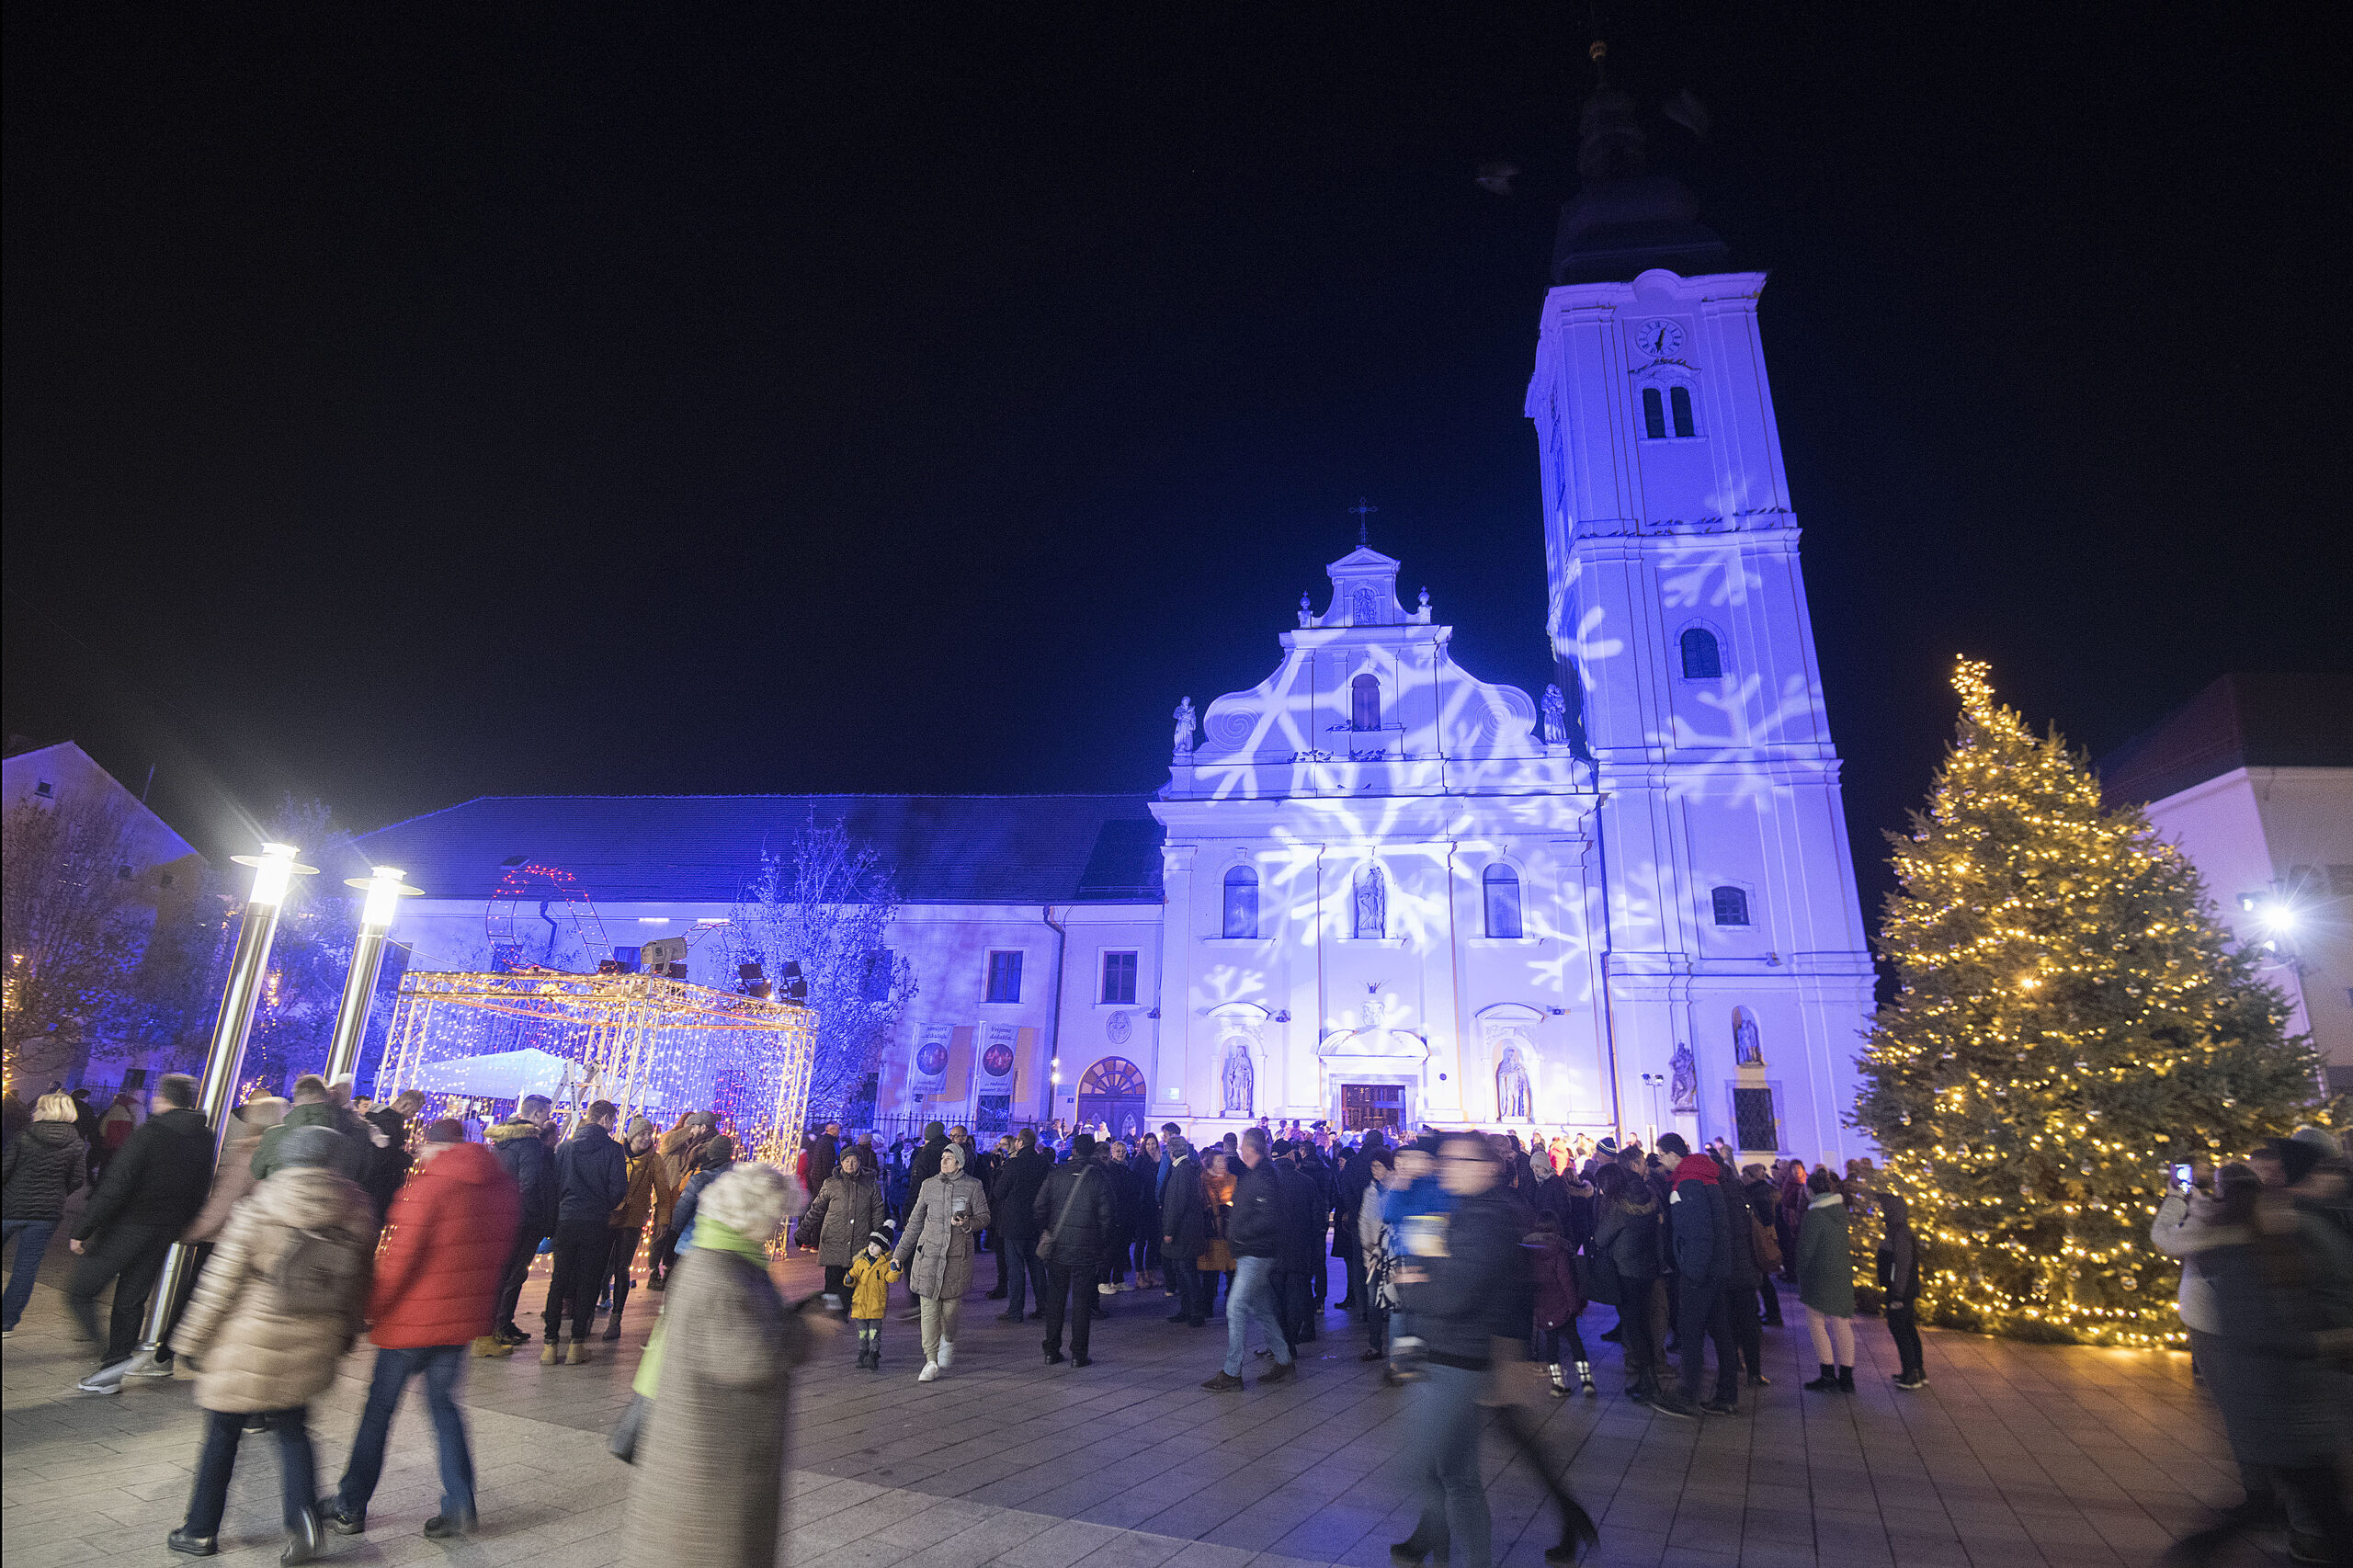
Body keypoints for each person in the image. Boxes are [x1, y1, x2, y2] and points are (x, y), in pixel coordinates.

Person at [166, 1125, 376, 1562]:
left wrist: (190, 1339)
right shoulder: (356, 1209)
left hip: (246, 1339)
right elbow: (358, 1285)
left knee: (222, 1435)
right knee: (294, 1433)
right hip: (314, 1339)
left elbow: (220, 1284)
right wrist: (347, 1335)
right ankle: (303, 1526)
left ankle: (200, 1531)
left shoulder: (260, 1206)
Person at [1390, 1132, 1596, 1568]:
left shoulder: (1488, 1216)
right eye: (1443, 1161)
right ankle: (1454, 1545)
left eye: (1457, 1160)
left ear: (1488, 1167)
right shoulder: (1467, 1207)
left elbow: (1455, 1291)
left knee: (1431, 1469)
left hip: (1476, 1353)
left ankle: (1435, 1538)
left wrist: (1415, 1283)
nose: (1447, 1168)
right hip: (1476, 1350)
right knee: (1464, 1471)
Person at [321, 1119, 519, 1540]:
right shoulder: (500, 1186)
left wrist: (371, 1308)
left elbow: (398, 1259)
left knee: (378, 1413)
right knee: (446, 1409)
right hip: (460, 1321)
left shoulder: (428, 1185)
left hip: (410, 1321)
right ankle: (461, 1503)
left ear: (432, 1147)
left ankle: (350, 1504)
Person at [2165, 1142, 2353, 1567]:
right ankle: (2197, 1551)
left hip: (2288, 1407)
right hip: (2277, 1407)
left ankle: (2199, 1549)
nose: (2285, 1214)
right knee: (2324, 1510)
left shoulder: (2280, 1247)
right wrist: (2334, 1341)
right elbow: (2261, 1333)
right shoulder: (2241, 1255)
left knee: (2306, 1502)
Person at [620, 1165, 812, 1568]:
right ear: (752, 1214)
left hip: (718, 1448)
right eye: (776, 1216)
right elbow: (748, 1358)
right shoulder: (719, 1271)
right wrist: (808, 1331)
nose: (778, 1227)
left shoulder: (728, 1258)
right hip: (712, 1457)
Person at [68, 1073, 214, 1390]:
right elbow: (200, 1186)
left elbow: (115, 1185)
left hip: (128, 1225)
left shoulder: (150, 1133)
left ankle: (111, 1361)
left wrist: (84, 1228)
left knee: (81, 1290)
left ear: (162, 1098)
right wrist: (182, 1224)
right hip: (165, 1230)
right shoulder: (204, 1137)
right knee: (131, 1300)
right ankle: (112, 1371)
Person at [1201, 1127, 1295, 1390]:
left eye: (1243, 1146)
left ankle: (1232, 1371)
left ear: (1252, 1149)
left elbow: (1269, 1218)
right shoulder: (1258, 1174)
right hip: (1250, 1252)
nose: (1240, 1150)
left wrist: (1239, 1235)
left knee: (1235, 1306)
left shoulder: (1264, 1176)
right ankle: (1284, 1360)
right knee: (1263, 1309)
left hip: (1255, 1252)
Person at [893, 1138, 992, 1381]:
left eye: (949, 1159)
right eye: (942, 1158)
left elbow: (985, 1216)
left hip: (956, 1258)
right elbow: (915, 1222)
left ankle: (948, 1339)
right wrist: (899, 1254)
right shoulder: (928, 1185)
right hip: (929, 1255)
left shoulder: (973, 1186)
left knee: (949, 1311)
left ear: (959, 1163)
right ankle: (930, 1360)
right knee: (928, 1310)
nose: (944, 1162)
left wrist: (968, 1224)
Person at [541, 1100, 628, 1365]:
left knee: (559, 1280)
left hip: (566, 1221)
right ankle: (577, 1345)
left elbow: (553, 1186)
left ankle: (550, 1344)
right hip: (595, 1222)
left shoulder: (565, 1147)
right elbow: (618, 1189)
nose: (612, 1126)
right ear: (603, 1120)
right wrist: (604, 1204)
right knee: (589, 1281)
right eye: (611, 1121)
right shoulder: (614, 1150)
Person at [3, 1092, 86, 1335]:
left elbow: (4, 1170)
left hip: (10, 1206)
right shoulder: (76, 1143)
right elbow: (77, 1180)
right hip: (46, 1214)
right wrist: (56, 1193)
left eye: (37, 1107)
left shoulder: (25, 1137)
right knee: (25, 1269)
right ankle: (6, 1321)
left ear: (45, 1110)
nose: (33, 1112)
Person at [1030, 1131, 1116, 1366]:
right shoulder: (1099, 1177)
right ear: (1093, 1152)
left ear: (1074, 1150)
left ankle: (1051, 1349)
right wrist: (1102, 1243)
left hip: (1057, 1247)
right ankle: (1078, 1353)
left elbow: (1039, 1206)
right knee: (1082, 1301)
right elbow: (1108, 1217)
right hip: (1086, 1249)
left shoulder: (1057, 1173)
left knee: (1056, 1298)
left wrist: (1046, 1230)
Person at [484, 1095, 556, 1352]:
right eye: (546, 1114)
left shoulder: (502, 1139)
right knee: (515, 1272)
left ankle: (502, 1322)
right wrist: (537, 1215)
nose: (549, 1118)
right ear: (536, 1115)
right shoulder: (530, 1144)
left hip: (500, 1213)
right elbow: (530, 1183)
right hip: (523, 1217)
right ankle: (500, 1325)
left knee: (505, 1270)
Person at [1591, 1163, 1664, 1403]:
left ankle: (1649, 1383)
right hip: (1648, 1269)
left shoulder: (1617, 1206)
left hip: (1625, 1272)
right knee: (1643, 1324)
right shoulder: (1649, 1197)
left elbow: (1601, 1238)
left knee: (1634, 1328)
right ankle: (1648, 1378)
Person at [600, 1116, 668, 1341]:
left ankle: (616, 1318)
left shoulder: (654, 1161)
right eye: (641, 1133)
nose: (646, 1138)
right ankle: (592, 1307)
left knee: (621, 1267)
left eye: (649, 1134)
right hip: (608, 1217)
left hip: (631, 1221)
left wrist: (662, 1221)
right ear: (631, 1135)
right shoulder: (614, 1153)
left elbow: (663, 1194)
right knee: (601, 1265)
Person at [800, 1144, 886, 1305]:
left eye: (854, 1160)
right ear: (841, 1162)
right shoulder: (831, 1183)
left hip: (859, 1240)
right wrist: (803, 1230)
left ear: (860, 1162)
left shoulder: (869, 1184)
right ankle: (831, 1312)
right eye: (846, 1160)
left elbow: (877, 1210)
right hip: (834, 1239)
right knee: (832, 1279)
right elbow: (817, 1208)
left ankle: (841, 1312)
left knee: (851, 1280)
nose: (850, 1164)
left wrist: (878, 1236)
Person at [1795, 1165, 1856, 1392]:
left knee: (1816, 1322)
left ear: (1810, 1192)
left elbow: (1805, 1251)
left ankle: (1828, 1373)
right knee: (1842, 1324)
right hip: (1841, 1273)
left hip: (1819, 1276)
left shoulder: (1815, 1216)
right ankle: (1847, 1378)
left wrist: (1799, 1272)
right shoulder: (1840, 1212)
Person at [249, 1076, 367, 1184]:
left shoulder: (273, 1135)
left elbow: (257, 1171)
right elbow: (361, 1178)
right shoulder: (358, 1137)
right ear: (326, 1098)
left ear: (296, 1102)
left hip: (281, 1203)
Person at [990, 1127, 1051, 1323]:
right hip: (1036, 1221)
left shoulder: (1014, 1165)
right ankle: (1043, 1307)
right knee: (1037, 1266)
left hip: (1014, 1222)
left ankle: (1015, 1311)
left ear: (1020, 1143)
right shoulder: (1043, 1163)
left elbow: (999, 1192)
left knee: (1015, 1268)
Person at [1874, 1186, 1927, 1390]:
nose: (1882, 1212)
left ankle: (1911, 1374)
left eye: (1885, 1209)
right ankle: (1917, 1371)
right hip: (1904, 1290)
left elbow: (1902, 1266)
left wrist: (1897, 1294)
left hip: (1901, 1291)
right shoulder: (1898, 1231)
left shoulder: (1900, 1234)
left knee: (1899, 1329)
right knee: (1908, 1328)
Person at [1160, 1135, 1210, 1328]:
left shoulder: (1181, 1171)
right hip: (1189, 1229)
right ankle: (1187, 1309)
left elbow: (1176, 1203)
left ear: (1170, 1152)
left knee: (1187, 1271)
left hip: (1183, 1231)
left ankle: (1196, 1311)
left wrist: (1169, 1230)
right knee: (1183, 1270)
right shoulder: (1189, 1168)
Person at [358, 1088, 426, 1223]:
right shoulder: (390, 1125)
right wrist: (410, 1157)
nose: (412, 1116)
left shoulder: (376, 1116)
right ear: (405, 1105)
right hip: (377, 1190)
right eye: (413, 1112)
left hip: (365, 1185)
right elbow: (386, 1160)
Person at [1356, 1148, 1398, 1365]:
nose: (1374, 1170)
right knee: (1373, 1301)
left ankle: (1396, 1349)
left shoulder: (1396, 1190)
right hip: (1372, 1255)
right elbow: (1363, 1220)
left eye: (1378, 1166)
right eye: (1372, 1166)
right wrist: (1369, 1244)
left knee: (1393, 1302)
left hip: (1391, 1255)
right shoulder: (1370, 1191)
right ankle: (1375, 1345)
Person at [846, 1225, 901, 1370]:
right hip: (860, 1305)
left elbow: (891, 1278)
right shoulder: (860, 1262)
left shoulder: (885, 1265)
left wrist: (895, 1270)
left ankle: (873, 1354)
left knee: (874, 1333)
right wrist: (849, 1279)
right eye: (870, 1244)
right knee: (862, 1333)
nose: (871, 1247)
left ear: (883, 1248)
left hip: (876, 1306)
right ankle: (862, 1353)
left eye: (876, 1245)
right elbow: (853, 1276)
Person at [1199, 1149, 1237, 1316]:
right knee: (1210, 1272)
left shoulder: (1232, 1179)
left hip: (1229, 1231)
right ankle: (1207, 1306)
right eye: (1218, 1161)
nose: (1222, 1164)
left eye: (1224, 1161)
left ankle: (1232, 1305)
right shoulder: (1203, 1180)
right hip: (1211, 1231)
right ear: (1211, 1163)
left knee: (1232, 1270)